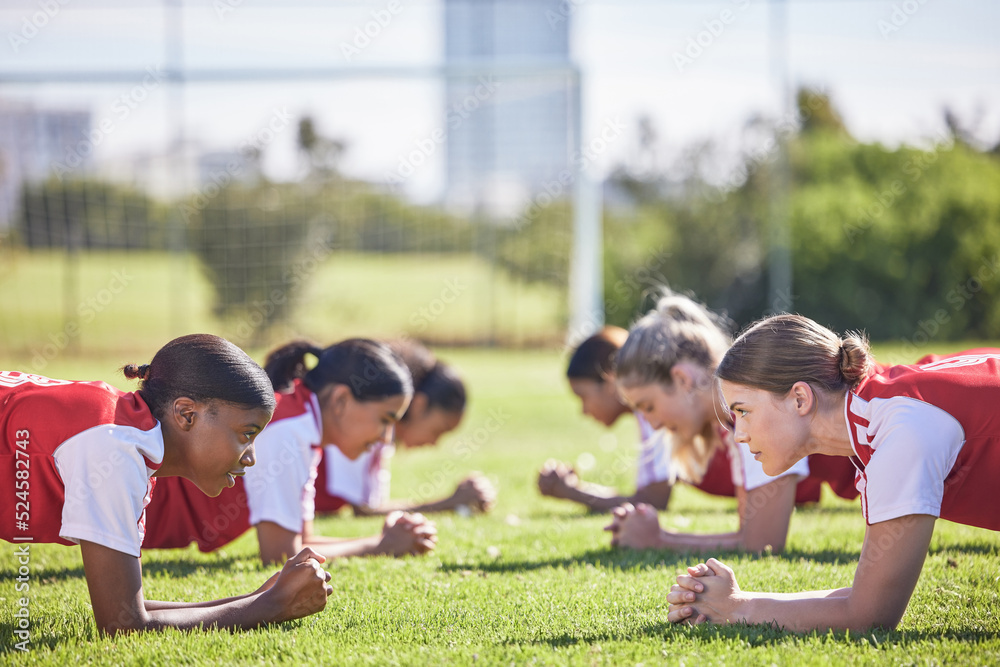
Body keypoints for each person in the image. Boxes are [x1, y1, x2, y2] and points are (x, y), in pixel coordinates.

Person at [666, 315, 1000, 631]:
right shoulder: (873, 419)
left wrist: (738, 608)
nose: (737, 434)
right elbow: (862, 595)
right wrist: (737, 602)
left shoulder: (899, 430)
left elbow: (869, 615)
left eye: (743, 411)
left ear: (800, 398)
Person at [0, 334, 332, 635]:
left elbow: (128, 609)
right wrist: (270, 607)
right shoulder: (115, 448)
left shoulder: (133, 443)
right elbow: (122, 626)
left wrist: (257, 597)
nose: (251, 458)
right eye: (247, 434)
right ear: (187, 414)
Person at [602, 294, 859, 554]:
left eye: (649, 407)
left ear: (682, 379)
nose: (653, 424)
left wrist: (659, 540)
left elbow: (762, 543)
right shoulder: (732, 419)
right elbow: (750, 535)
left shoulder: (752, 404)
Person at [144, 338, 437, 565]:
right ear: (341, 400)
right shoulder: (289, 430)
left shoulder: (305, 423)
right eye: (385, 420)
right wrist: (380, 546)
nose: (386, 439)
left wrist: (381, 541)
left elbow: (300, 540)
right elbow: (281, 555)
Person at [537, 326, 736, 513]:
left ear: (609, 382)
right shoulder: (654, 413)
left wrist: (572, 492)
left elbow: (652, 500)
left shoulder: (661, 412)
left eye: (583, 397)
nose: (583, 411)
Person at [313, 339, 495, 516]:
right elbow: (365, 510)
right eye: (438, 431)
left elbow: (374, 505)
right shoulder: (361, 426)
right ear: (419, 405)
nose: (434, 443)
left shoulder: (380, 436)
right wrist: (449, 503)